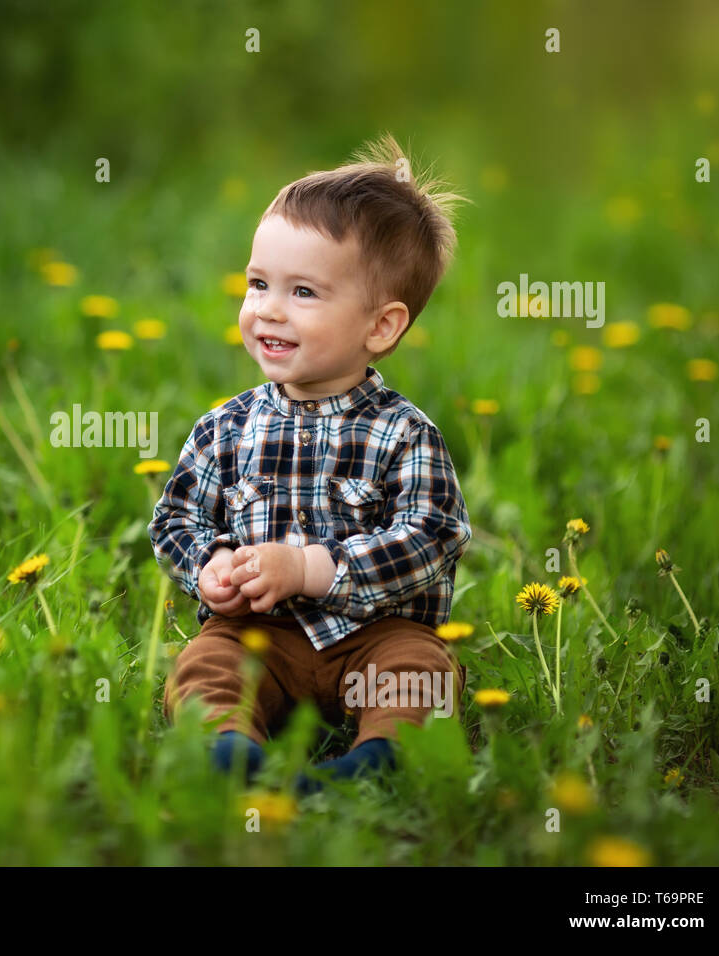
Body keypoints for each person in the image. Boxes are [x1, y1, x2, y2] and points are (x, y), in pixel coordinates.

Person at [150, 134, 472, 796]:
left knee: (419, 669)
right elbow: (175, 517)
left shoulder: (403, 434)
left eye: (303, 292)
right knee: (207, 660)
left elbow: (434, 536)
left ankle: (377, 760)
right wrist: (207, 567)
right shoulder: (225, 428)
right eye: (258, 283)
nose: (268, 307)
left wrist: (310, 569)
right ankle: (229, 749)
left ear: (379, 327)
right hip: (259, 635)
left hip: (375, 636)